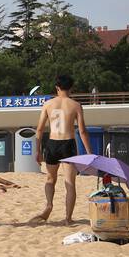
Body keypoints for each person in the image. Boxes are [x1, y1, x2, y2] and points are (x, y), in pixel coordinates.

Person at [28, 75, 91, 224]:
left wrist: (37, 150)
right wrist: (89, 152)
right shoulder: (75, 105)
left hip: (52, 143)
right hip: (68, 144)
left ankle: (49, 205)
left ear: (57, 87)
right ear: (71, 88)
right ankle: (68, 218)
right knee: (70, 182)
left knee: (50, 179)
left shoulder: (48, 104)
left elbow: (39, 130)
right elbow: (82, 131)